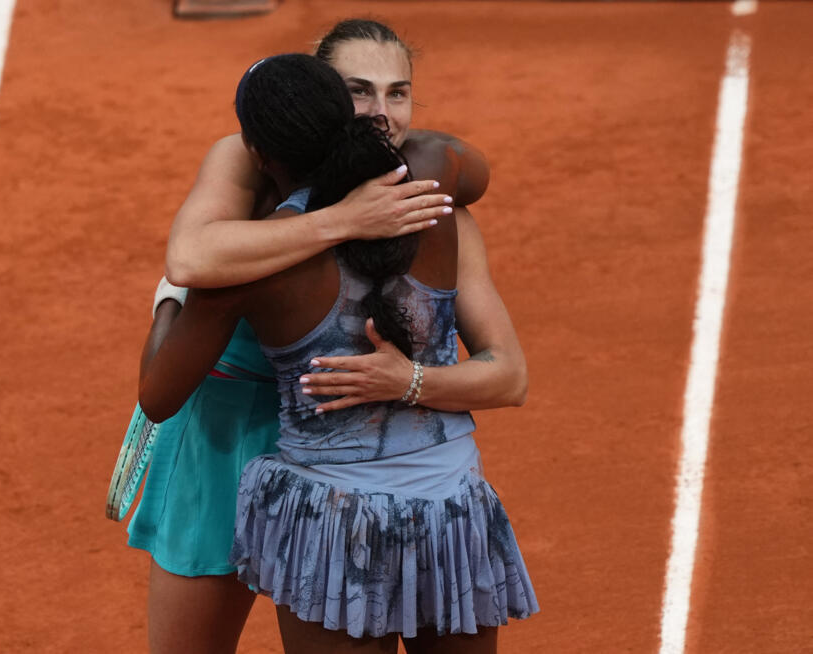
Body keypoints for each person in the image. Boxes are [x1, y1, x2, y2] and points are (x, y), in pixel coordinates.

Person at [124, 19, 524, 654]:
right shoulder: (245, 159)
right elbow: (191, 255)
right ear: (325, 95)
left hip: (316, 463)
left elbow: (181, 298)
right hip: (234, 430)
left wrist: (168, 305)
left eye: (399, 93)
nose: (381, 112)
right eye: (359, 91)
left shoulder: (422, 179)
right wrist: (343, 218)